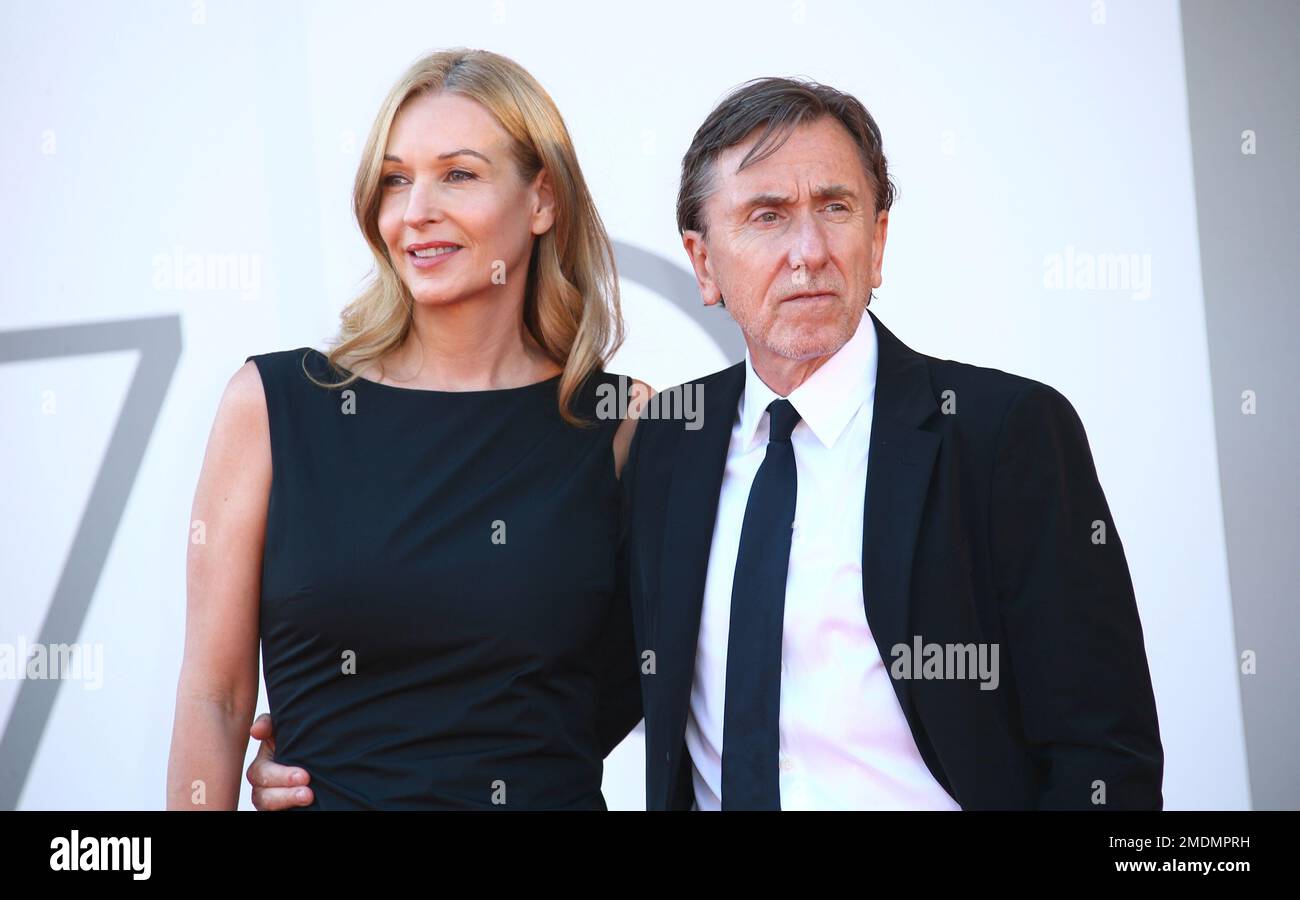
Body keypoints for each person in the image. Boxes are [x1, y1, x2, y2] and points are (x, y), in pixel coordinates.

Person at [622, 76, 1163, 810]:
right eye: (767, 215)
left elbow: (1103, 754)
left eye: (836, 208)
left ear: (877, 242)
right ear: (704, 262)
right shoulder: (665, 443)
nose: (808, 251)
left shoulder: (1004, 433)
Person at [166, 48, 646, 810]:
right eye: (395, 179)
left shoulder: (620, 426)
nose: (415, 210)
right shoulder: (273, 404)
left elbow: (630, 692)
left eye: (458, 173)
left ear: (542, 199)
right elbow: (215, 699)